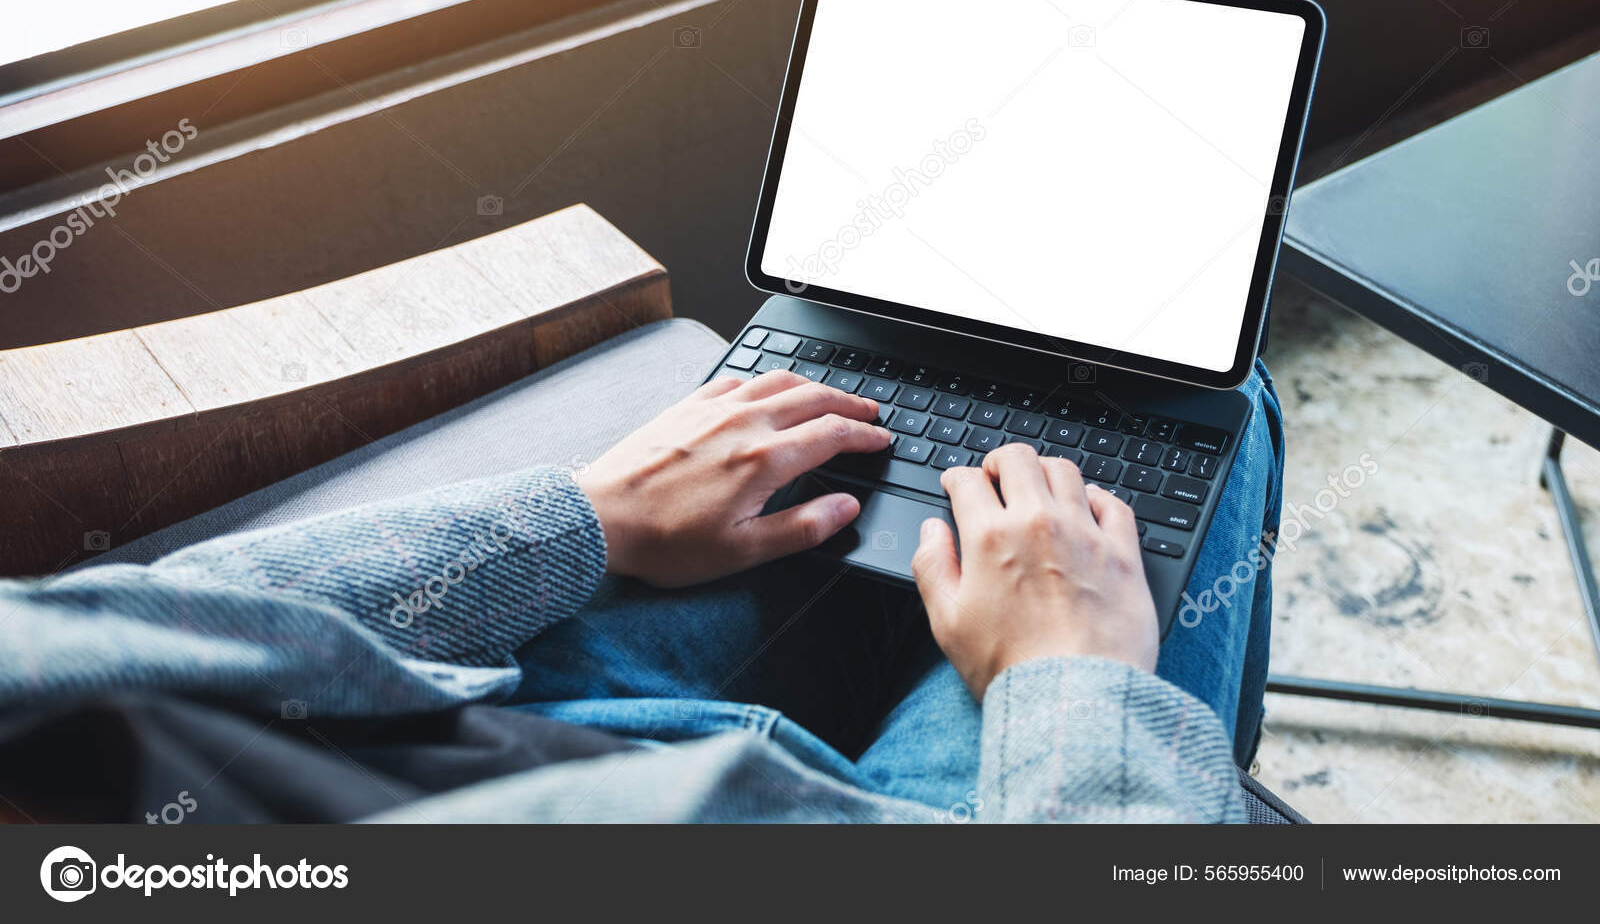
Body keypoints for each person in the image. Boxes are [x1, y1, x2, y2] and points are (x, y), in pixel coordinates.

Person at [0, 365, 1283, 823]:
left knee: (872, 431)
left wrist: (584, 521)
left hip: (478, 723)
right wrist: (1083, 689)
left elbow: (142, 632)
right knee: (1203, 411)